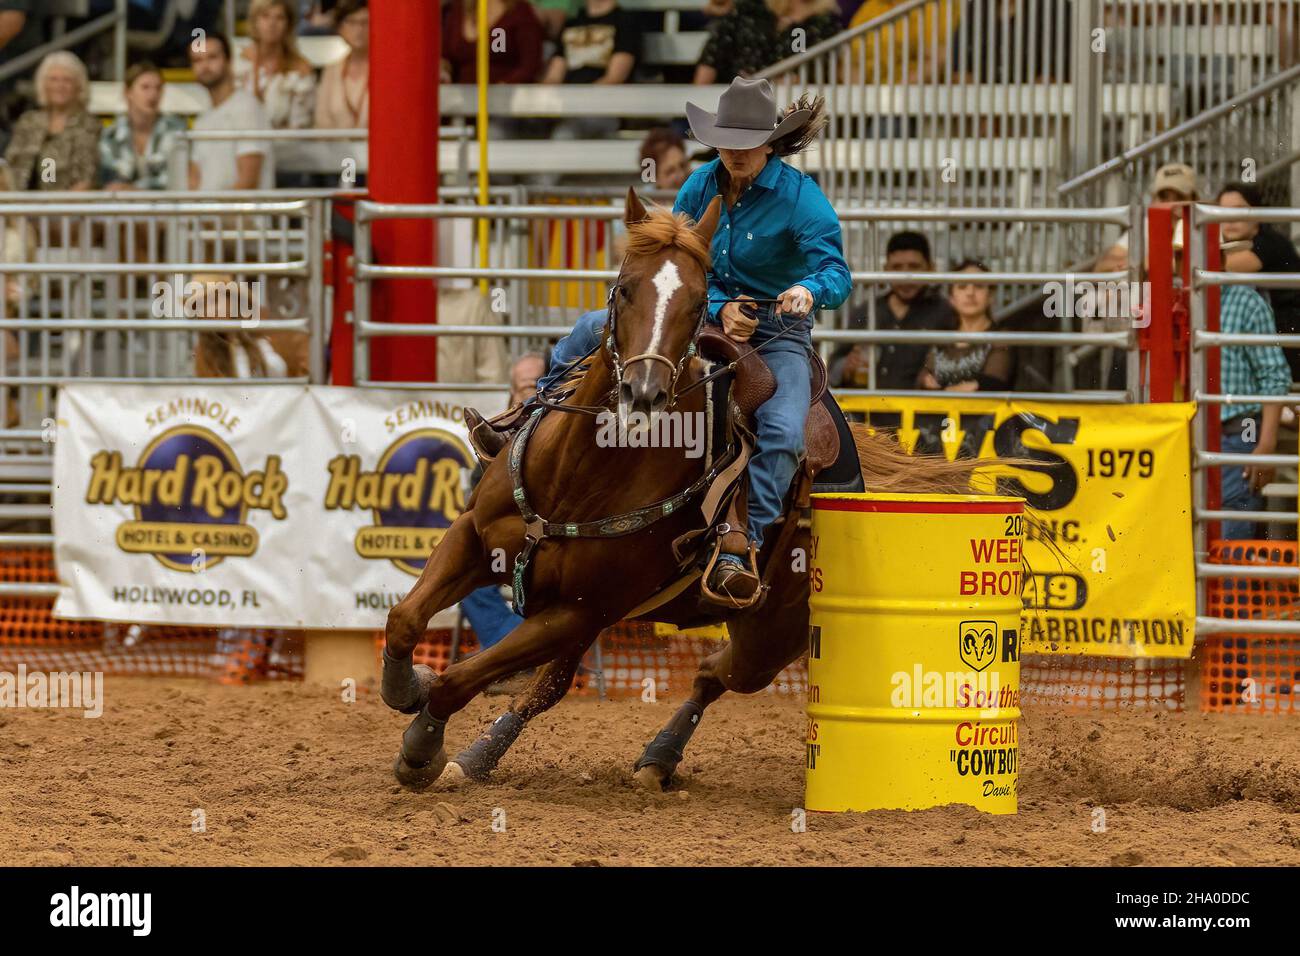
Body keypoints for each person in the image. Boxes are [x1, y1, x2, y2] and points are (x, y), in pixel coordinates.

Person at [476, 78, 851, 603]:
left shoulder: (801, 201)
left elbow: (837, 273)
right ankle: (524, 420)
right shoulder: (699, 186)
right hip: (697, 316)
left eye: (747, 142)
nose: (737, 153)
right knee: (587, 331)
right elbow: (678, 266)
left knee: (785, 432)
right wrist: (722, 308)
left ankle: (741, 548)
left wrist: (807, 290)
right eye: (728, 141)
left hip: (776, 334)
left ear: (770, 142)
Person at [459, 353, 548, 657]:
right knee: (464, 572)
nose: (534, 392)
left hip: (556, 547)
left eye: (540, 384)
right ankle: (516, 650)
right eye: (526, 387)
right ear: (512, 394)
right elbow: (477, 498)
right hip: (509, 544)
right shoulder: (495, 437)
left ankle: (509, 654)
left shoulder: (568, 431)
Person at [828, 231, 955, 389]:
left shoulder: (945, 312)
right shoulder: (867, 311)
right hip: (867, 411)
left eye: (914, 267)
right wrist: (846, 367)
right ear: (886, 269)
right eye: (897, 267)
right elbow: (832, 368)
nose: (905, 276)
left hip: (923, 412)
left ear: (931, 268)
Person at [1215, 284, 1291, 539]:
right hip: (1189, 433)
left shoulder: (1247, 302)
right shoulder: (1160, 297)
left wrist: (1265, 444)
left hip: (1242, 428)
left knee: (1232, 528)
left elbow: (1274, 377)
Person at [1217, 181, 1300, 383]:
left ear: (1257, 215)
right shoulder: (1233, 246)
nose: (1231, 219)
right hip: (1266, 340)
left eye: (1239, 211)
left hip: (1290, 338)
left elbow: (1219, 266)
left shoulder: (1271, 243)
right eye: (1222, 212)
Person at [188, 33, 276, 191]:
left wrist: (214, 215)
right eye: (197, 60)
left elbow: (248, 183)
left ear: (228, 61)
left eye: (212, 57)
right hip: (208, 213)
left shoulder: (248, 107)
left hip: (240, 214)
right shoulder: (201, 121)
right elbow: (195, 181)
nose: (205, 66)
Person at [3, 51, 99, 191]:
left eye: (67, 80)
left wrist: (59, 209)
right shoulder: (28, 121)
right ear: (43, 84)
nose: (59, 86)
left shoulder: (89, 125)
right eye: (53, 79)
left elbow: (87, 177)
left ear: (79, 86)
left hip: (66, 206)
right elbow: (10, 165)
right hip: (19, 203)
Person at [918, 259, 1013, 391]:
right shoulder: (942, 337)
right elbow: (923, 376)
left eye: (979, 286)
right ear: (952, 298)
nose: (970, 293)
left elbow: (995, 382)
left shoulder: (1001, 337)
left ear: (990, 296)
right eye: (962, 287)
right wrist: (925, 381)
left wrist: (945, 393)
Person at [694, 0, 842, 84]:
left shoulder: (823, 24)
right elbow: (711, 59)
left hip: (786, 109)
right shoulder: (748, 11)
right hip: (729, 100)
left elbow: (802, 76)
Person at [99, 62, 188, 192]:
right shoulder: (110, 134)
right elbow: (111, 181)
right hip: (123, 209)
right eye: (145, 87)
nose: (153, 95)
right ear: (128, 92)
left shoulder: (176, 129)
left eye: (158, 88)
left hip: (165, 209)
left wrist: (134, 189)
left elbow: (174, 180)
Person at [236, 0, 317, 130]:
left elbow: (301, 125)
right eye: (265, 16)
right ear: (254, 21)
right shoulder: (238, 64)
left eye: (279, 17)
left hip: (287, 146)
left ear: (288, 25)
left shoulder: (301, 69)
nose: (272, 24)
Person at [848, 0, 959, 82]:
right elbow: (851, 60)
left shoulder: (943, 5)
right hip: (871, 96)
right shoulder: (871, 7)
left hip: (927, 93)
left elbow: (944, 56)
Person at [441, 0, 545, 84]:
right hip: (460, 101)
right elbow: (445, 55)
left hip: (506, 101)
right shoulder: (457, 10)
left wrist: (503, 87)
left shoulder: (519, 11)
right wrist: (444, 72)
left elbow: (530, 65)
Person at [314, 0, 370, 129]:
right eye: (351, 22)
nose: (359, 29)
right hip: (336, 147)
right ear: (340, 28)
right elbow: (321, 121)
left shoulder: (387, 70)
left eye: (365, 22)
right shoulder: (331, 71)